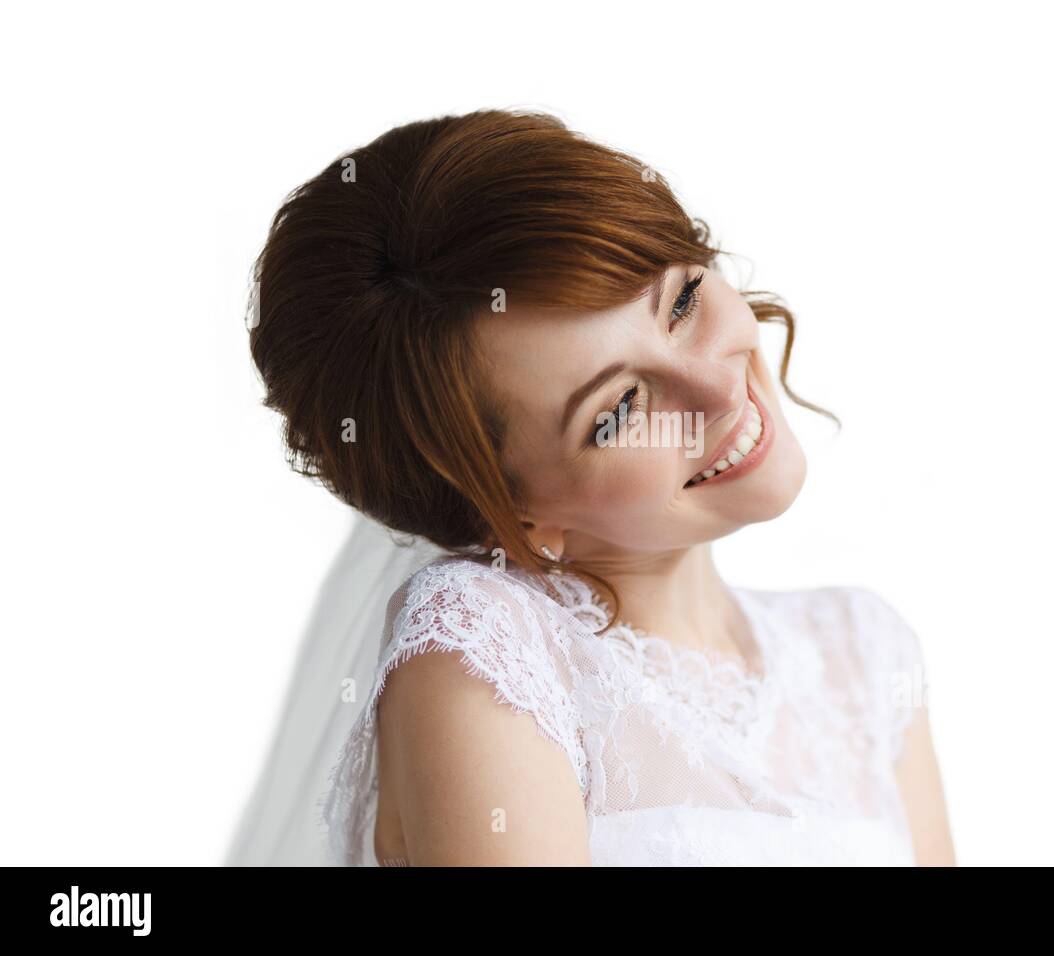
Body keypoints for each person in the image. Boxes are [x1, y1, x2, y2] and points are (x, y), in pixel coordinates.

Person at [232, 108, 955, 866]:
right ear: (505, 508)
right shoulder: (487, 648)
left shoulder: (863, 655)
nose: (717, 387)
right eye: (617, 412)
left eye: (680, 302)